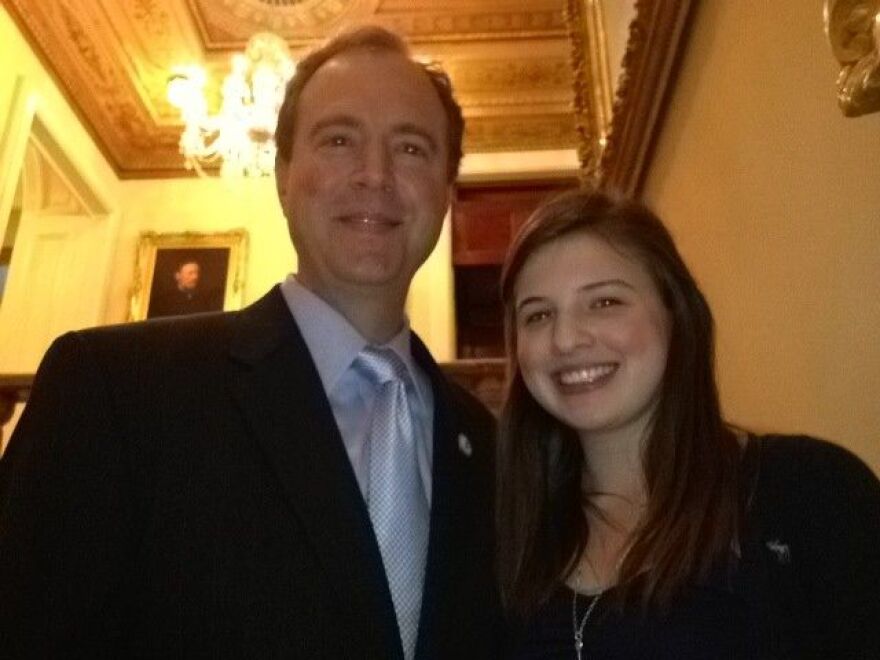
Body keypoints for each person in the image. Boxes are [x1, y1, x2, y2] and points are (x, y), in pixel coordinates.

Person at [0, 26, 500, 659]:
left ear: (446, 191)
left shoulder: (488, 445)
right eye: (340, 140)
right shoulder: (112, 390)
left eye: (411, 148)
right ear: (283, 175)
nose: (375, 175)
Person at [495, 189, 880, 659]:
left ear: (675, 313)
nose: (566, 338)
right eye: (538, 315)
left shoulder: (807, 492)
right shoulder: (508, 527)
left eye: (605, 303)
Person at [147, 258, 223, 318]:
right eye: (190, 273)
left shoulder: (206, 301)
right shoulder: (163, 302)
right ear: (178, 276)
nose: (195, 277)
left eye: (197, 273)